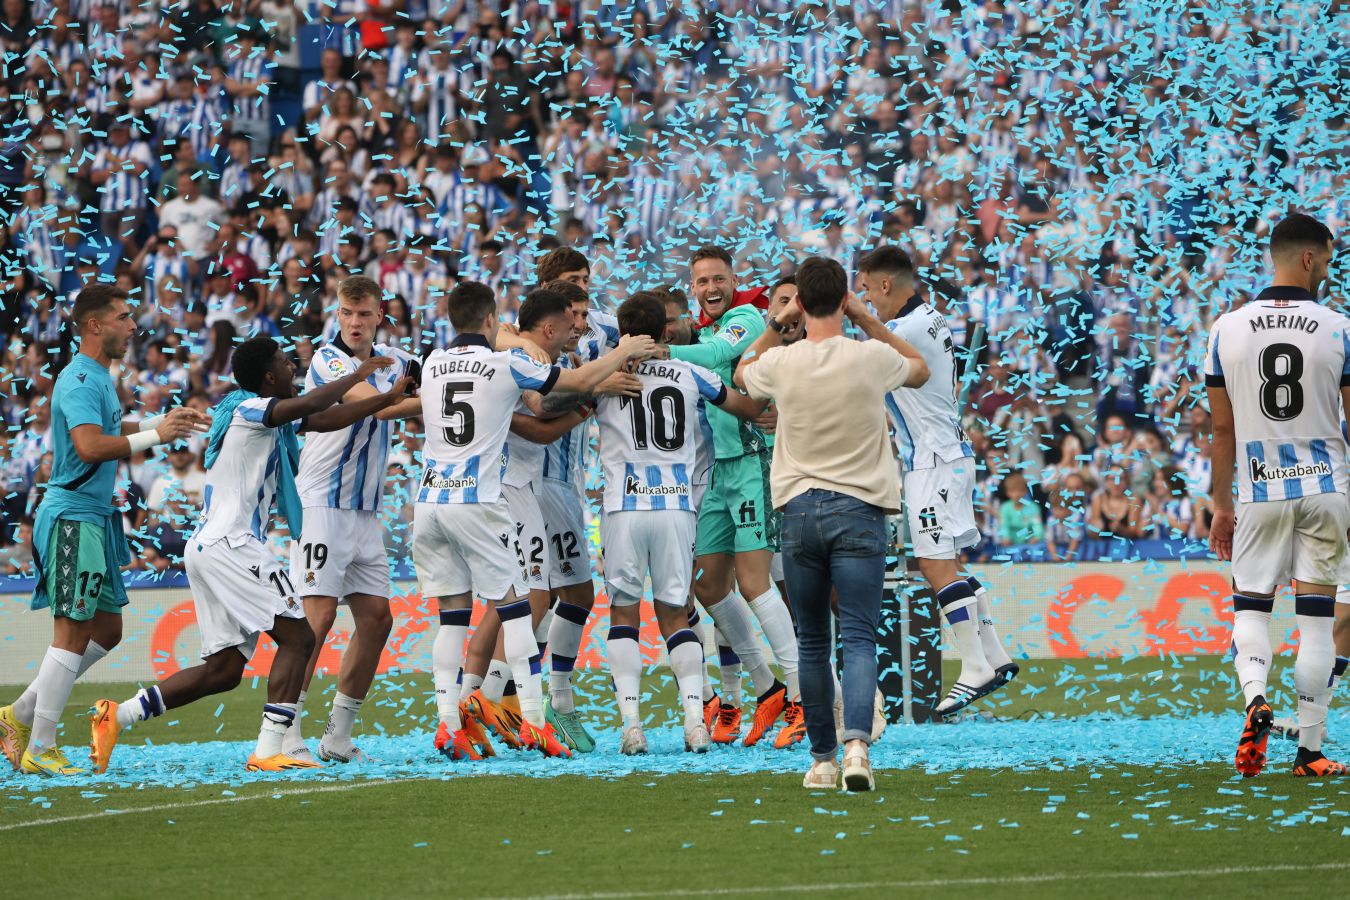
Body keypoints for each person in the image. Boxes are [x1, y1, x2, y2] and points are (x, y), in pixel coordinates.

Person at [89, 338, 411, 773]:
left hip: (210, 545)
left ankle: (118, 715)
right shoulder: (250, 409)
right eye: (282, 361)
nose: (291, 365)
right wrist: (356, 375)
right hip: (231, 543)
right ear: (268, 377)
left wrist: (383, 400)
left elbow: (324, 417)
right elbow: (315, 402)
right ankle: (269, 748)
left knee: (223, 669)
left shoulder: (261, 414)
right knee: (298, 637)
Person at [418, 280, 655, 761]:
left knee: (453, 617)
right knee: (519, 607)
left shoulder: (431, 363)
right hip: (480, 501)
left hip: (428, 501)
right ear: (490, 320)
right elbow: (563, 386)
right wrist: (622, 353)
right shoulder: (506, 364)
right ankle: (533, 723)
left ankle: (449, 727)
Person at [736, 255, 929, 792]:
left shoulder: (784, 362)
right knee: (860, 638)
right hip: (861, 511)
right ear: (845, 299)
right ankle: (857, 749)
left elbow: (740, 373)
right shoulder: (869, 356)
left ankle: (821, 759)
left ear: (801, 303)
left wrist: (778, 324)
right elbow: (920, 367)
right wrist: (867, 319)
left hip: (799, 510)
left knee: (813, 642)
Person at [0, 285, 208, 777]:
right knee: (71, 631)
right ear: (95, 325)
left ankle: (18, 716)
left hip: (95, 519)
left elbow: (109, 428)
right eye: (123, 316)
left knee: (107, 631)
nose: (133, 326)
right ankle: (41, 746)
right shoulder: (78, 378)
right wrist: (155, 434)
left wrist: (160, 422)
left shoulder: (97, 378)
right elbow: (91, 447)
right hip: (72, 517)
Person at [1205, 213, 1350, 778]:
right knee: (1316, 622)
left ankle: (1256, 697)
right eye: (1330, 261)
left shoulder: (1227, 329)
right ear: (1309, 259)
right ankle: (1310, 753)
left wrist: (1221, 506)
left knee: (1251, 607)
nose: (1330, 272)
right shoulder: (1340, 327)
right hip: (1327, 487)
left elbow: (1221, 431)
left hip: (1260, 487)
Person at [596, 291, 767, 755]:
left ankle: (632, 725)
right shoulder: (691, 372)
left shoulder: (605, 376)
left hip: (622, 509)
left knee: (623, 616)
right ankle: (695, 722)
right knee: (676, 616)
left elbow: (557, 404)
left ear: (621, 329)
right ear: (666, 330)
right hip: (676, 508)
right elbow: (747, 407)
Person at [857, 245, 1016, 717]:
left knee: (933, 565)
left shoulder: (902, 329)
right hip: (946, 453)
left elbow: (858, 362)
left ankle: (973, 666)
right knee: (947, 562)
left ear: (886, 284)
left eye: (866, 291)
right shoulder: (928, 317)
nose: (866, 301)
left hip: (934, 461)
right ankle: (994, 655)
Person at [285, 276, 422, 764]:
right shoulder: (329, 359)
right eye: (347, 313)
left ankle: (337, 736)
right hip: (322, 504)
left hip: (365, 510)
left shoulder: (403, 360)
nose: (355, 322)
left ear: (379, 314)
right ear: (336, 315)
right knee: (316, 619)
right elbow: (376, 407)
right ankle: (286, 731)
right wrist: (440, 400)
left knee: (377, 620)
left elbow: (431, 395)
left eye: (364, 314)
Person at [669, 245, 799, 749]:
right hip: (716, 473)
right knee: (707, 584)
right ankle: (767, 688)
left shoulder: (744, 317)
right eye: (701, 282)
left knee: (756, 583)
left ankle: (806, 700)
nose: (711, 289)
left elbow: (716, 357)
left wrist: (659, 352)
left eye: (718, 279)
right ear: (693, 288)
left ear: (733, 279)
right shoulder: (701, 330)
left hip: (751, 465)